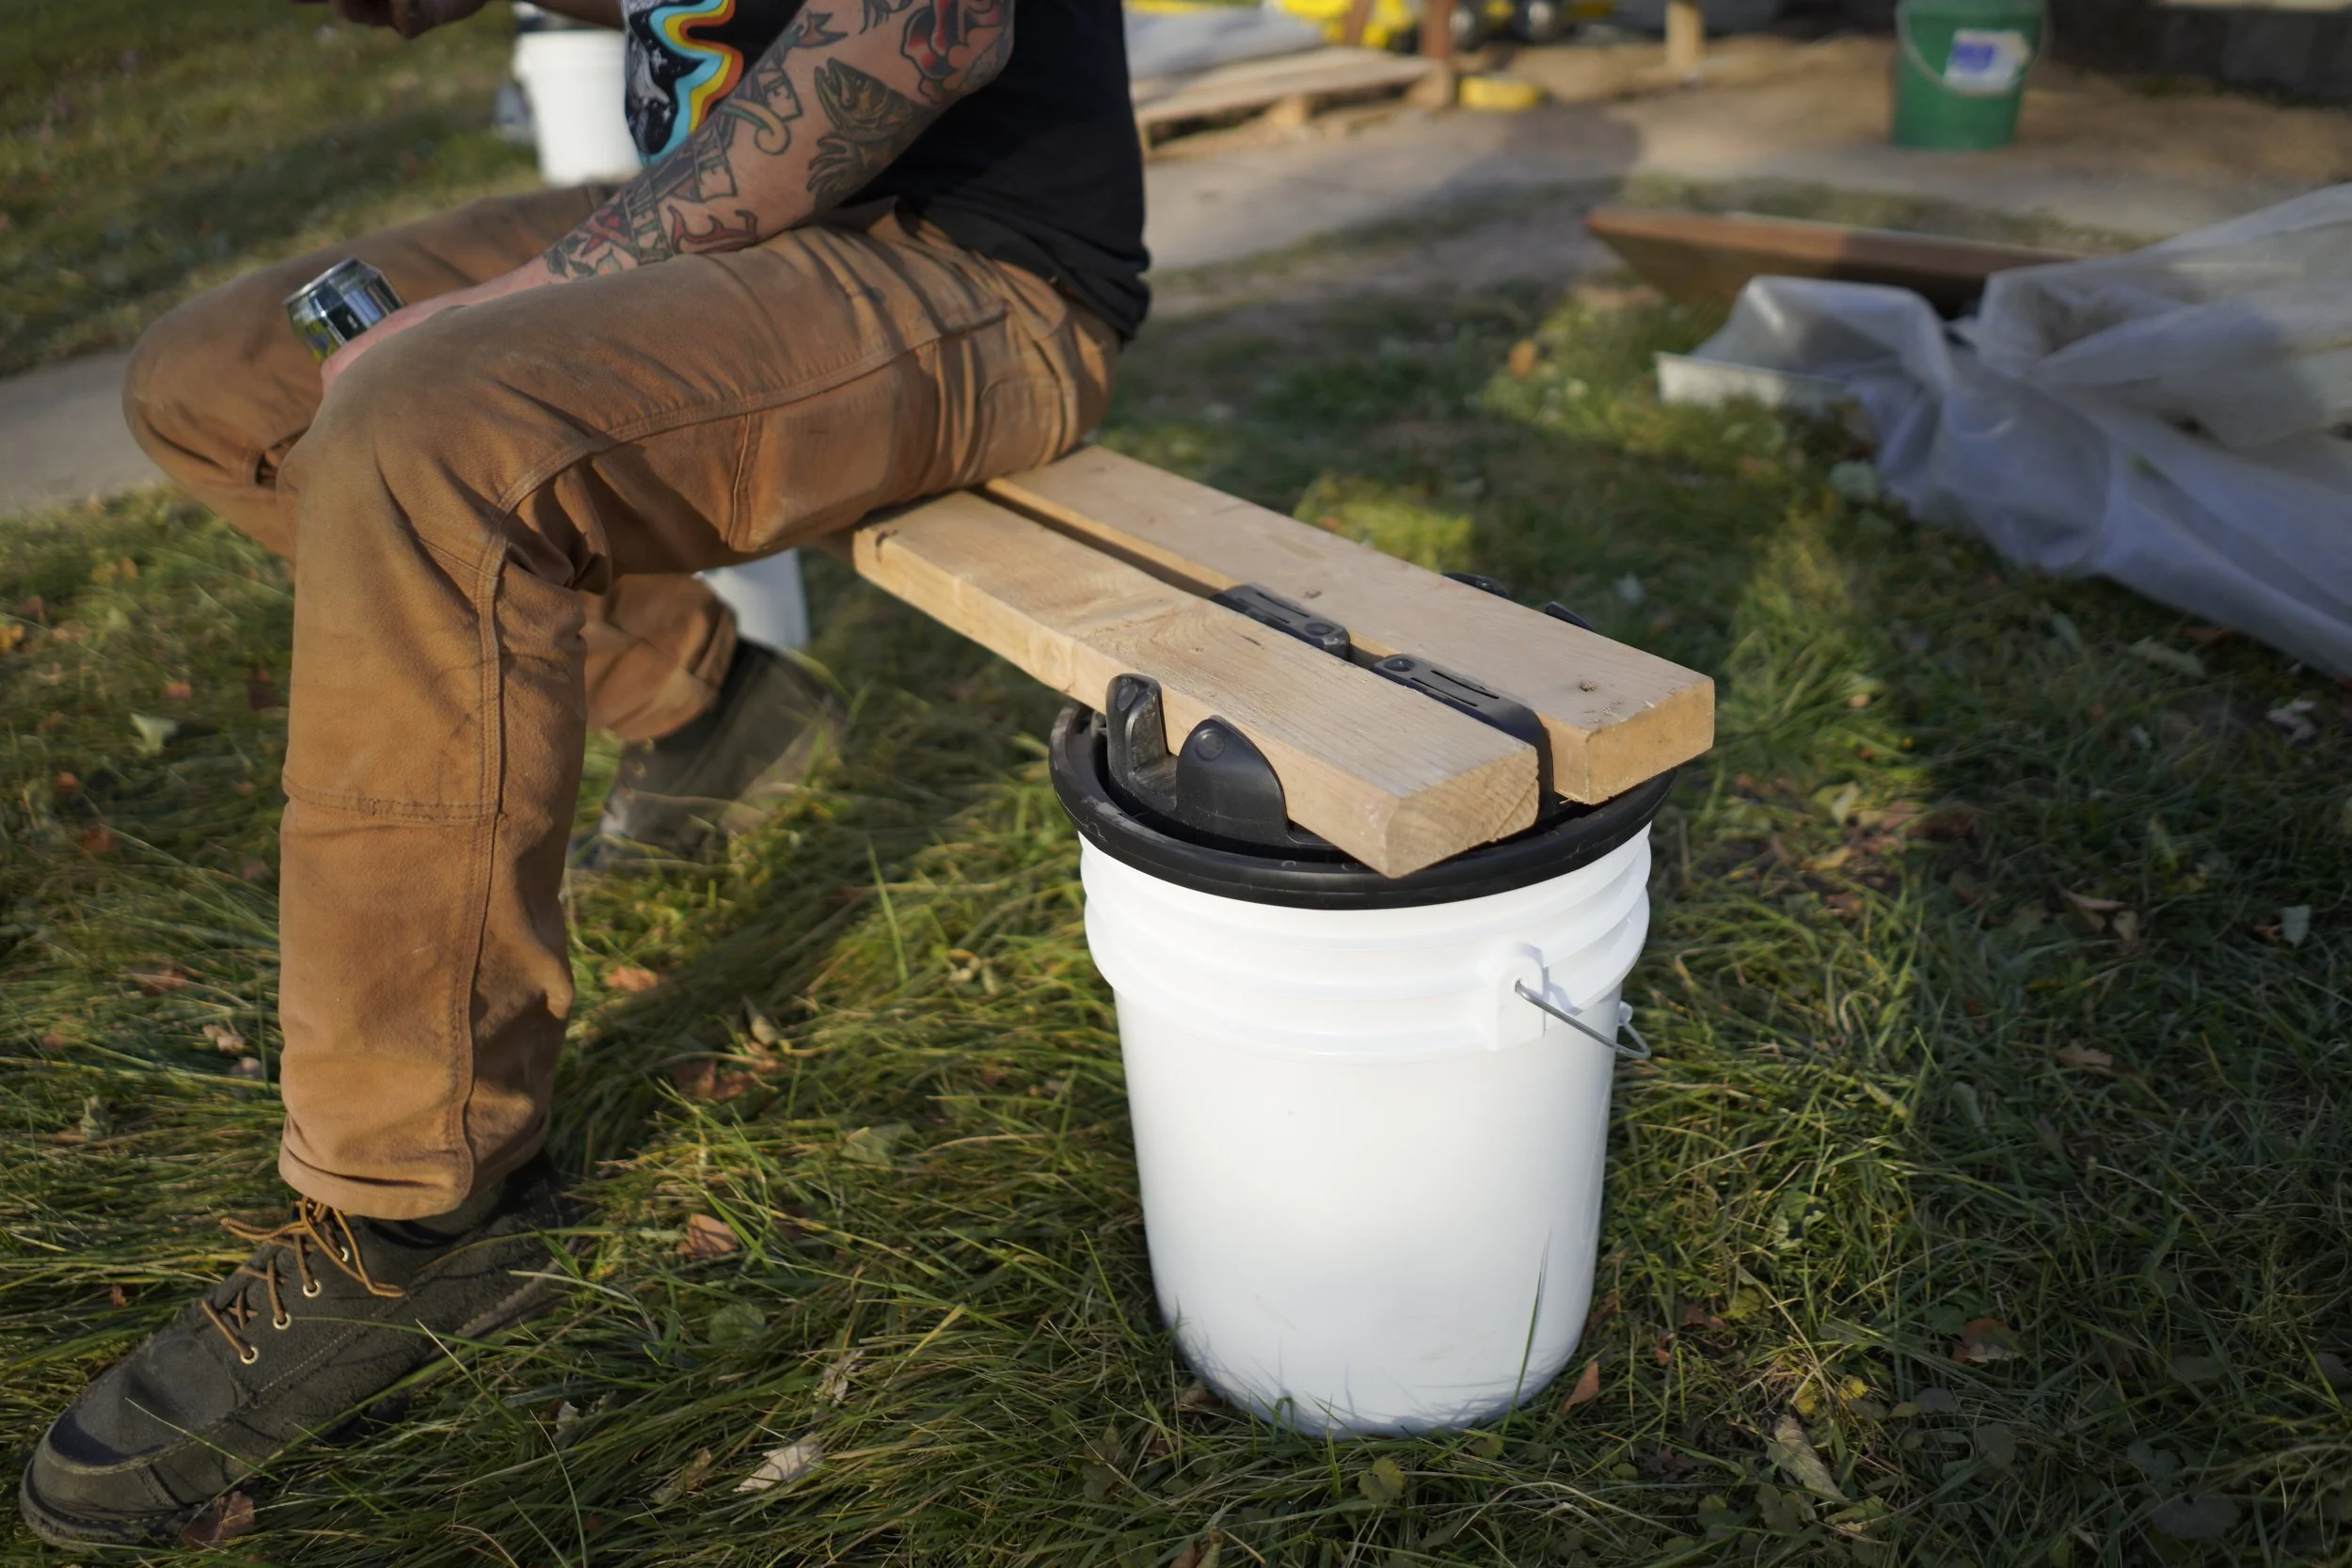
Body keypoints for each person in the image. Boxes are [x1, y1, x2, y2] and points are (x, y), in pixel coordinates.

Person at [17, 0, 1144, 1545]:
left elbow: (922, 37)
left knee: (425, 425)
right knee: (221, 380)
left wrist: (525, 302)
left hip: (969, 267)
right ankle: (700, 705)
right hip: (747, 228)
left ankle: (420, 1203)